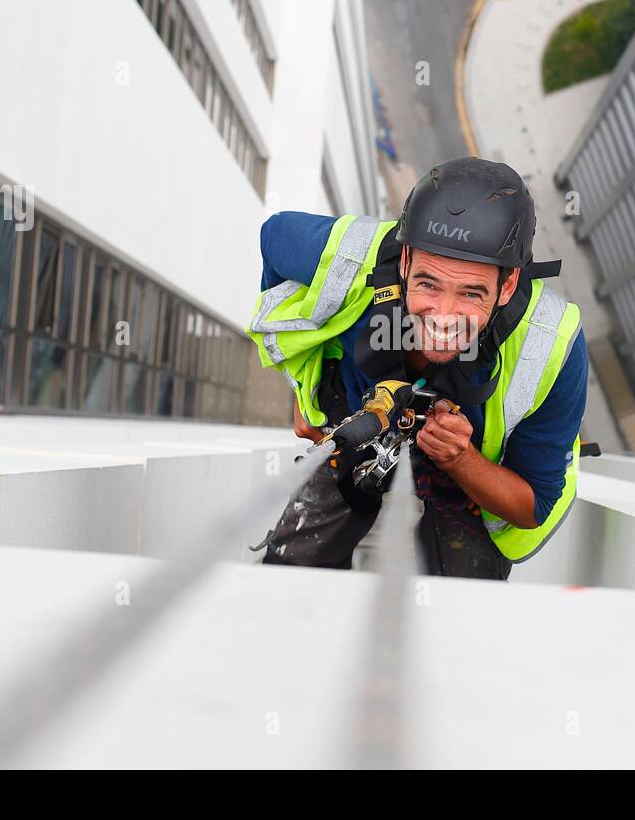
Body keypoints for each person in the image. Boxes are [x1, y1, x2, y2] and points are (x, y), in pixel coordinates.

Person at [248, 157, 588, 580]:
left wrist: (460, 459)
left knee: (461, 602)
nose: (444, 317)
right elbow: (273, 235)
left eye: (470, 293)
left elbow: (532, 505)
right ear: (405, 261)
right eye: (428, 284)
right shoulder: (348, 260)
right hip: (360, 419)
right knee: (292, 565)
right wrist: (302, 387)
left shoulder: (552, 343)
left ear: (509, 285)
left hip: (470, 468)